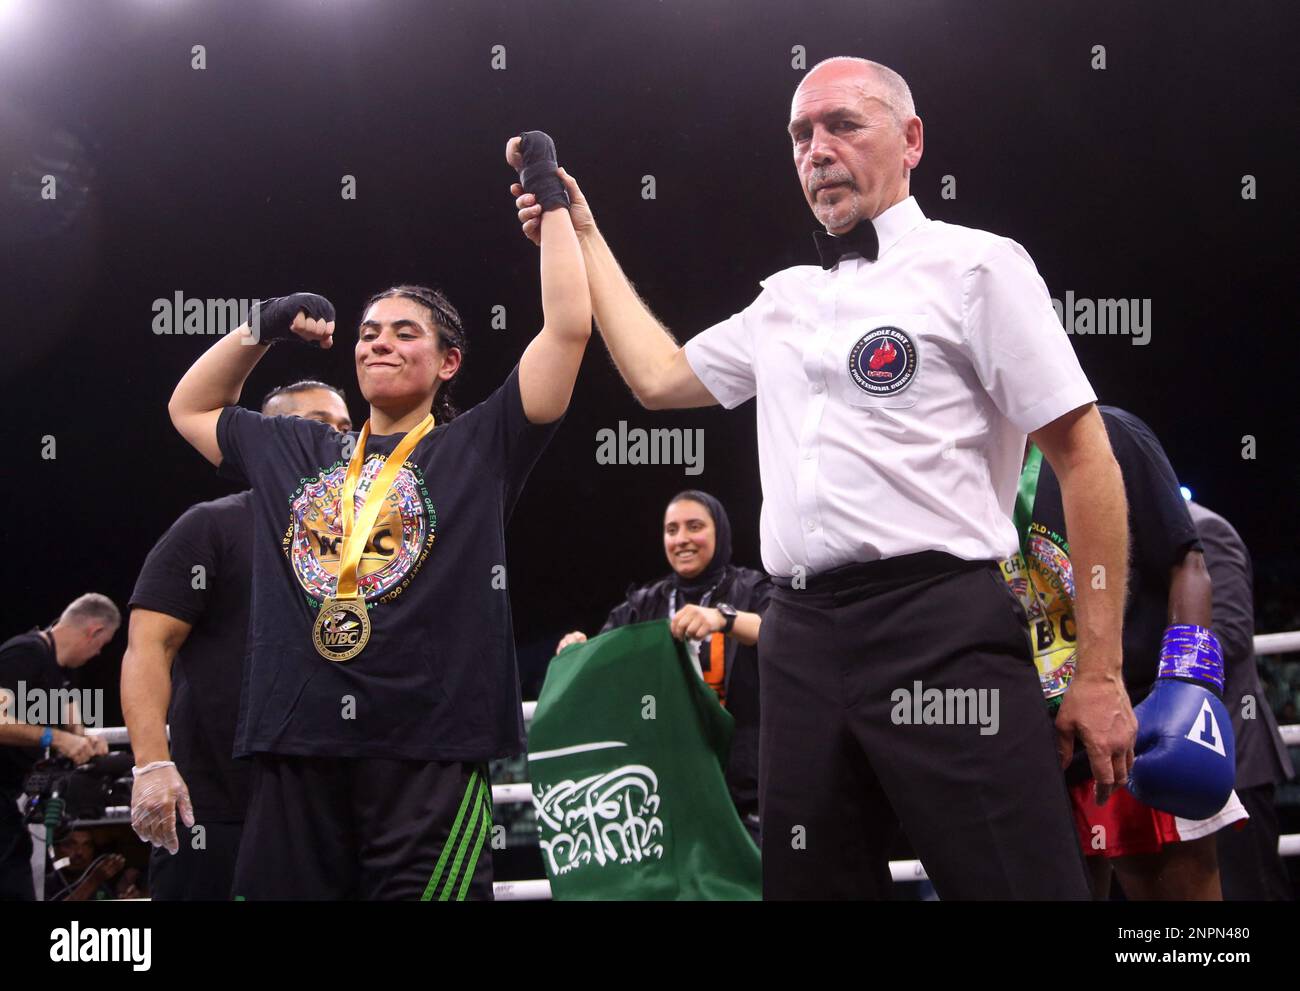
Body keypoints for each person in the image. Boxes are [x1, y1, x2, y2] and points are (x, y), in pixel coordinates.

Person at [511, 57, 1135, 900]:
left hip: (941, 627)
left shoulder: (978, 266)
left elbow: (1083, 455)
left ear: (912, 140)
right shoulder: (785, 300)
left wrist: (1100, 671)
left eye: (844, 124)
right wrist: (584, 232)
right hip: (799, 632)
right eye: (801, 134)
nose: (817, 149)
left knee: (1016, 883)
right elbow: (657, 378)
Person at [166, 131, 590, 900]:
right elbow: (190, 405)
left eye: (405, 332)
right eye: (367, 332)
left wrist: (550, 199)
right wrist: (261, 325)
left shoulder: (479, 447)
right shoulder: (297, 448)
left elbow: (566, 330)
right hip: (297, 747)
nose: (379, 343)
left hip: (428, 753)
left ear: (449, 360)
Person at [123, 381, 352, 900]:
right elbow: (149, 647)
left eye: (346, 429)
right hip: (217, 805)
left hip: (326, 805)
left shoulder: (367, 545)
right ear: (266, 440)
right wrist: (152, 765)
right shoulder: (212, 526)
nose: (340, 441)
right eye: (320, 426)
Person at [1005, 407, 1245, 899]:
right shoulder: (964, 468)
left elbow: (1188, 562)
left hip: (1131, 725)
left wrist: (1184, 694)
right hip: (1033, 741)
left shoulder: (1109, 433)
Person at [555, 490, 769, 838]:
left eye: (695, 526)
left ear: (720, 531)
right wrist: (578, 649)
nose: (682, 539)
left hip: (745, 796)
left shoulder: (749, 589)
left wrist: (722, 619)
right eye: (672, 530)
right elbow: (600, 661)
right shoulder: (644, 603)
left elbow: (778, 632)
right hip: (665, 795)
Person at [1188, 499, 1295, 899]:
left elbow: (1229, 637)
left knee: (1250, 889)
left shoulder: (1205, 530)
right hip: (1168, 760)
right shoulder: (1137, 531)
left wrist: (1125, 653)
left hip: (1230, 753)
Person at [0, 594, 118, 900]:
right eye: (101, 644)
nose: (98, 653)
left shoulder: (59, 667)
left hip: (9, 795)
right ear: (93, 632)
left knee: (16, 866)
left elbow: (69, 712)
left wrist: (83, 737)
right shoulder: (24, 654)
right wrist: (58, 739)